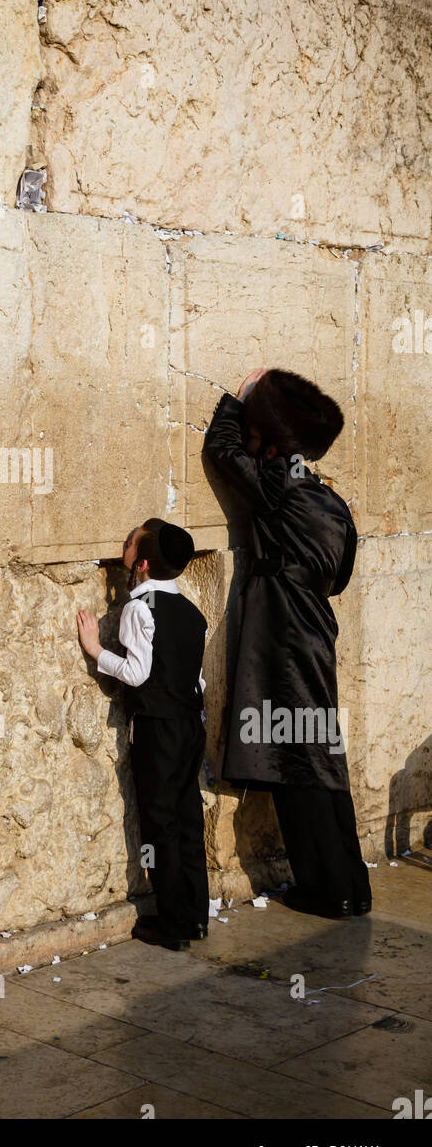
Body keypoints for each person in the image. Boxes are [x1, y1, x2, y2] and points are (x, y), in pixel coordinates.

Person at [202, 368, 372, 920]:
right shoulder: (333, 502)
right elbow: (340, 576)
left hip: (285, 632)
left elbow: (221, 450)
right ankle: (350, 885)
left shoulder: (279, 482)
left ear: (271, 442)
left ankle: (330, 891)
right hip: (315, 628)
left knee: (300, 760)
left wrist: (242, 399)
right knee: (320, 755)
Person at [77, 519, 209, 951]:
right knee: (187, 816)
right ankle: (195, 915)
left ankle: (171, 923)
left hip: (158, 729)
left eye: (130, 542)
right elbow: (197, 679)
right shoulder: (191, 613)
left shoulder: (139, 608)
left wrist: (97, 650)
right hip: (191, 725)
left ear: (143, 563)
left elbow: (137, 673)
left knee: (161, 823)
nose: (124, 545)